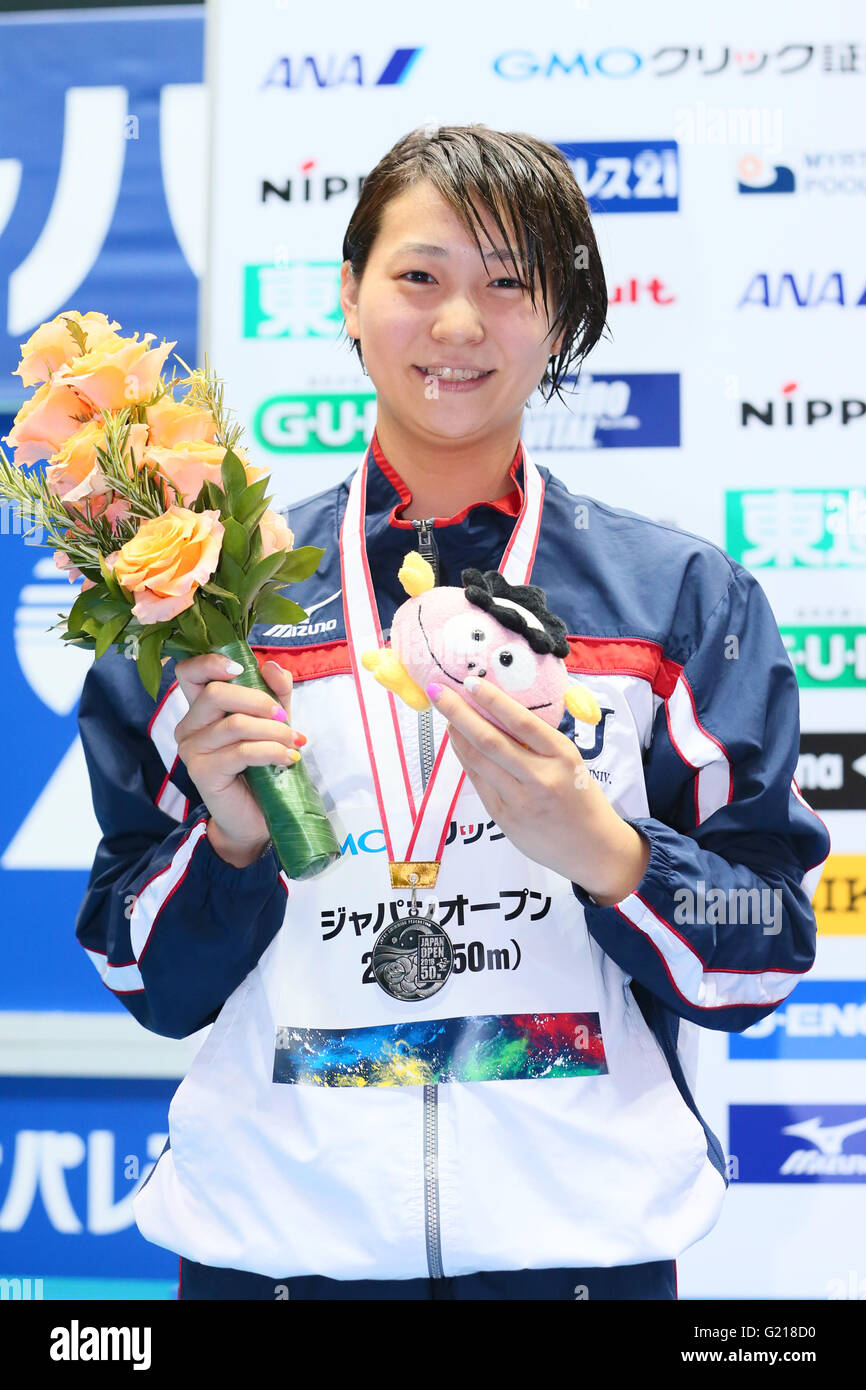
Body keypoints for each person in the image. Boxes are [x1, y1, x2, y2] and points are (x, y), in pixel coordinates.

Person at [75, 125, 831, 1301]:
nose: (459, 324)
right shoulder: (215, 607)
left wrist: (607, 853)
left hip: (579, 1260)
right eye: (419, 276)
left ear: (564, 314)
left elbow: (765, 940)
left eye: (510, 282)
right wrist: (227, 848)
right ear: (348, 296)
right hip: (274, 1257)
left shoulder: (677, 601)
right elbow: (146, 983)